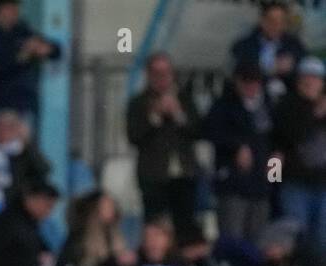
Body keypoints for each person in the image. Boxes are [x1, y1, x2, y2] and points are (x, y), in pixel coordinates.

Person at [127, 53, 200, 227]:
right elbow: (134, 136)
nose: (162, 78)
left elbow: (197, 131)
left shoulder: (185, 99)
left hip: (184, 175)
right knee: (155, 224)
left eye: (166, 73)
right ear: (149, 75)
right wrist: (155, 116)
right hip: (153, 176)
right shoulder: (138, 103)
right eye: (157, 73)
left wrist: (178, 114)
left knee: (186, 225)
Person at [205, 60, 274, 242]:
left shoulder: (267, 105)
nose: (251, 86)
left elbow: (276, 141)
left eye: (255, 81)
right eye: (247, 81)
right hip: (232, 185)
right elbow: (211, 132)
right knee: (232, 238)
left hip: (261, 185)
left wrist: (274, 174)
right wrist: (237, 146)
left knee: (258, 240)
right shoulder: (223, 105)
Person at [0, 0, 61, 124]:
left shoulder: (24, 32)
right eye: (11, 9)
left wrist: (44, 48)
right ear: (1, 10)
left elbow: (55, 51)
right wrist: (19, 58)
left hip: (24, 105)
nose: (15, 13)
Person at [272, 57, 326, 255]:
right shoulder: (287, 105)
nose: (310, 82)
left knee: (322, 241)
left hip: (322, 184)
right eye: (306, 77)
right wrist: (315, 113)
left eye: (315, 78)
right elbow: (287, 138)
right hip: (295, 184)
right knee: (296, 238)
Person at [231, 0, 305, 99]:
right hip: (253, 98)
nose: (276, 25)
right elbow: (239, 71)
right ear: (262, 21)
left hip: (289, 98)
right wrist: (269, 67)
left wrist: (293, 66)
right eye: (271, 20)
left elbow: (307, 69)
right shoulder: (244, 45)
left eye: (281, 21)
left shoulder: (294, 45)